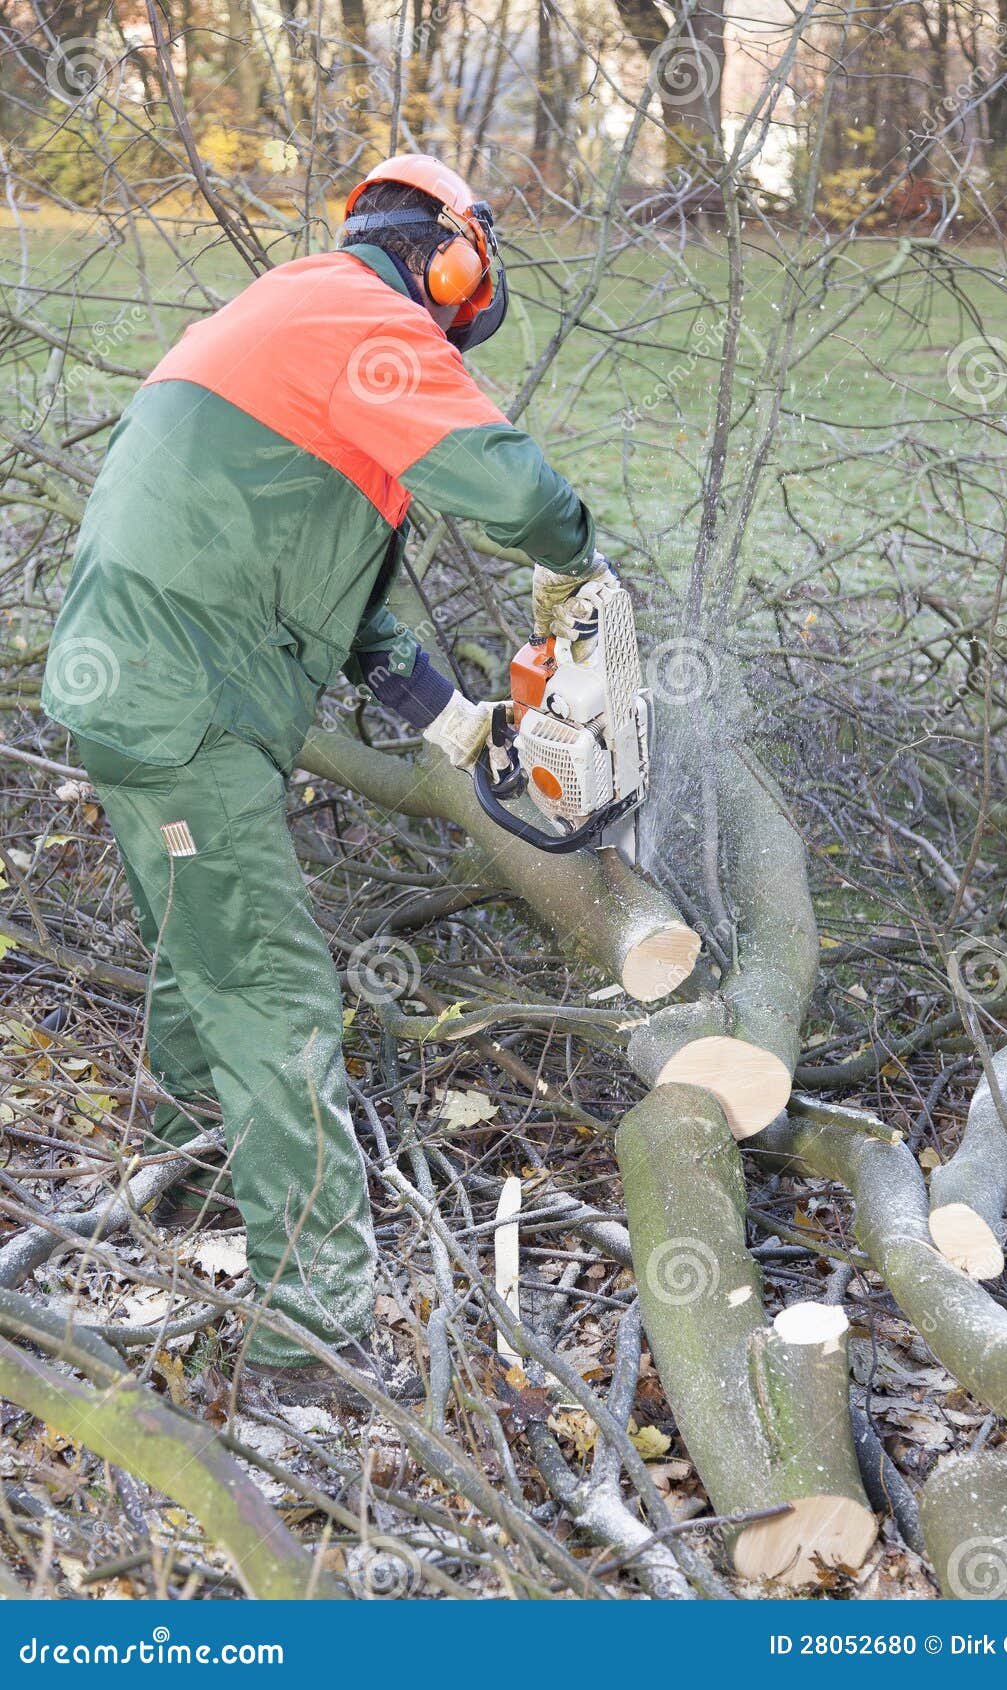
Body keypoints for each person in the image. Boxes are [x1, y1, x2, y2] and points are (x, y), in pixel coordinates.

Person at [41, 153, 615, 1403]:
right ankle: (310, 1343)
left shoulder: (280, 314)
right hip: (182, 695)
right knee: (274, 994)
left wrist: (458, 724)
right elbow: (512, 491)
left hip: (129, 677)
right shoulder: (364, 318)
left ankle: (183, 1195)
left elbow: (339, 605)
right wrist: (577, 564)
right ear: (449, 262)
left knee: (204, 942)